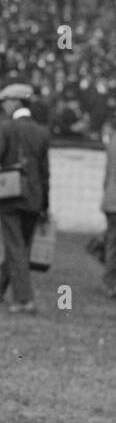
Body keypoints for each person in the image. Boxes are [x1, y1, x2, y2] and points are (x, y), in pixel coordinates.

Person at [0, 83, 50, 315]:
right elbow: (45, 174)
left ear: (15, 102)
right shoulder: (42, 132)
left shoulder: (6, 127)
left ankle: (24, 299)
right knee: (19, 246)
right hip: (34, 198)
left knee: (15, 248)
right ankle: (0, 289)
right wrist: (45, 206)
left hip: (10, 195)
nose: (3, 105)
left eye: (5, 101)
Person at [101, 120, 116, 299]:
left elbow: (107, 174)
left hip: (111, 200)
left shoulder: (112, 140)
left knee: (112, 243)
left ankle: (109, 282)